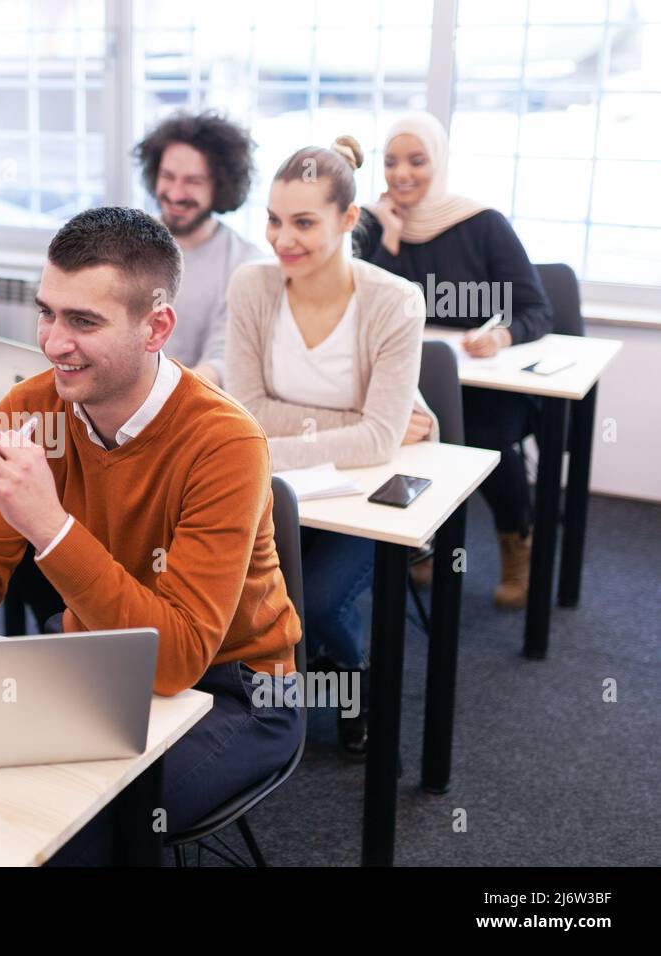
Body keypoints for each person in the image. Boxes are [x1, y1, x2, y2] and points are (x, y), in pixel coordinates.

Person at [0, 206, 302, 864]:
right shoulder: (35, 406)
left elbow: (177, 660)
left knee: (68, 829)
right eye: (47, 312)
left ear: (156, 327)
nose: (51, 342)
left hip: (238, 689)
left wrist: (48, 523)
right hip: (95, 668)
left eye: (82, 322)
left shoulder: (225, 442)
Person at [226, 137, 433, 755]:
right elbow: (246, 411)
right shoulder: (252, 287)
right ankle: (309, 688)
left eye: (304, 223)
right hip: (289, 485)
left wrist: (274, 433)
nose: (282, 238)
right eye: (273, 220)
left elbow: (377, 442)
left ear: (348, 221)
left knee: (310, 603)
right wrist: (349, 418)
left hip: (370, 492)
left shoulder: (395, 301)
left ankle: (353, 683)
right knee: (250, 594)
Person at [356, 111, 553, 609]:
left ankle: (516, 542)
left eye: (416, 161)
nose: (402, 174)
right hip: (409, 378)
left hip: (487, 386)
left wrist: (504, 335)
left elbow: (536, 308)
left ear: (437, 162)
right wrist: (390, 239)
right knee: (393, 434)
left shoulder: (482, 223)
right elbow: (363, 305)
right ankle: (419, 545)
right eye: (391, 162)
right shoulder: (376, 228)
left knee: (483, 439)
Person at [133, 110, 266, 386]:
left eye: (193, 182)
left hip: (191, 409)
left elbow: (224, 361)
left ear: (219, 187)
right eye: (168, 176)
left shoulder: (244, 264)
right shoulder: (127, 242)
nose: (176, 193)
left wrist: (157, 399)